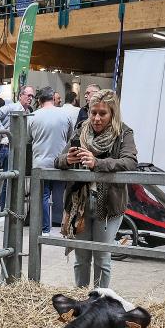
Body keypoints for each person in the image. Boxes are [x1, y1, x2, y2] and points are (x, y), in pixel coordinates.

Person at [56, 89, 138, 289]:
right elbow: (58, 160)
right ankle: (81, 302)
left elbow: (130, 161)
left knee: (102, 257)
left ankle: (100, 303)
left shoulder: (123, 133)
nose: (97, 118)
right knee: (81, 256)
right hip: (80, 203)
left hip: (109, 203)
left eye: (103, 113)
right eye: (93, 112)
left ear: (113, 113)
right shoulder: (81, 130)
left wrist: (98, 163)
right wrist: (67, 160)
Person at [30, 86, 75, 234]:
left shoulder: (33, 116)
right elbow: (70, 138)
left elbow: (28, 138)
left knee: (43, 196)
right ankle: (62, 225)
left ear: (39, 100)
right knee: (61, 195)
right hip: (61, 162)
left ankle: (45, 229)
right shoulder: (65, 115)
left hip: (40, 163)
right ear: (53, 99)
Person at [0, 86, 36, 209]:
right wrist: (5, 132)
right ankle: (5, 208)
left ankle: (8, 208)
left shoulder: (28, 111)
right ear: (20, 95)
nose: (30, 98)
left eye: (32, 96)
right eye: (28, 95)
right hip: (8, 148)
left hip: (18, 149)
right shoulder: (13, 107)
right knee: (8, 181)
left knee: (12, 180)